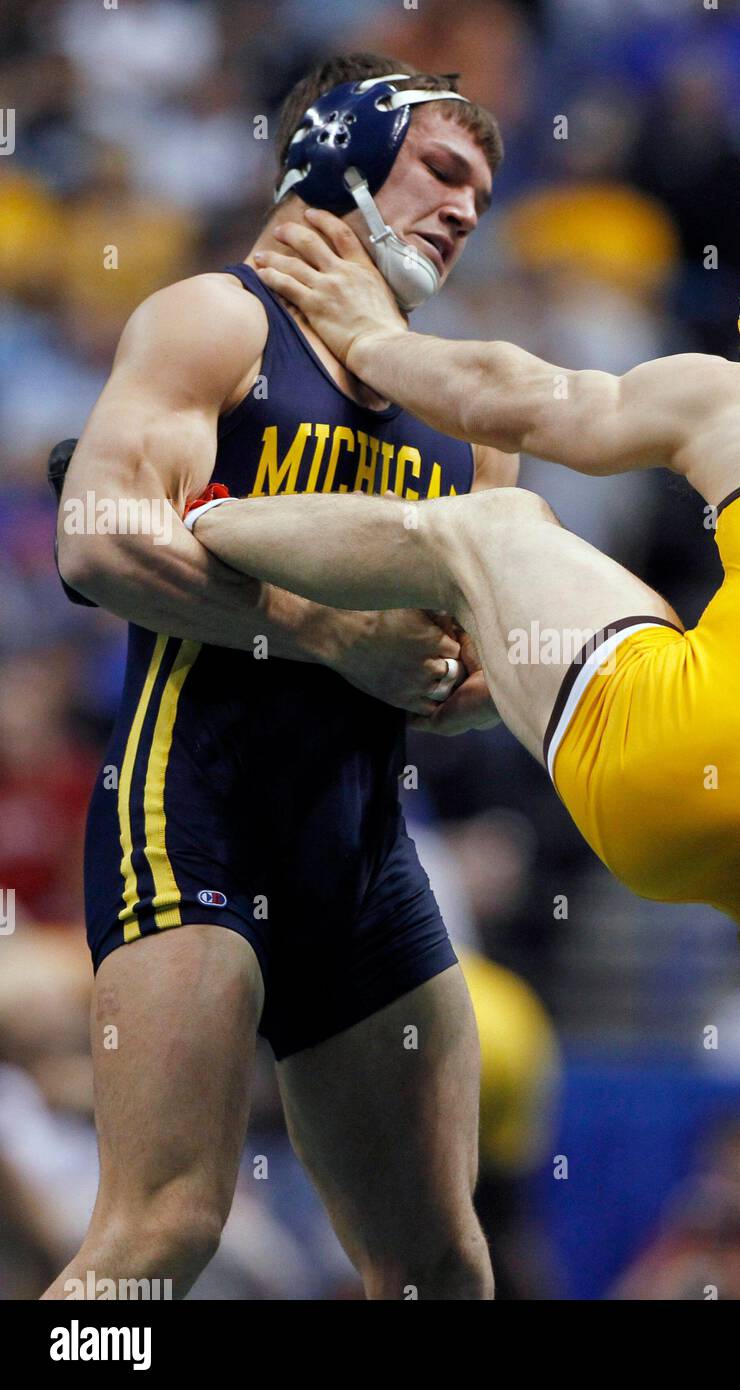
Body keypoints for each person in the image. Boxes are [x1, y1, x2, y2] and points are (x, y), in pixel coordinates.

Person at [186, 210, 740, 1300]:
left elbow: (536, 399)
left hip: (680, 779)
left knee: (493, 530)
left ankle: (199, 527)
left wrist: (370, 337)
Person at [49, 53, 511, 1300]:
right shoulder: (219, 320)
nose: (467, 210)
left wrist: (462, 673)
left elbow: (488, 665)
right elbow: (93, 536)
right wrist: (333, 631)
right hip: (193, 808)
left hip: (358, 858)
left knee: (439, 1267)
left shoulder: (465, 413)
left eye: (484, 190)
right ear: (341, 154)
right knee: (161, 1232)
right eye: (443, 171)